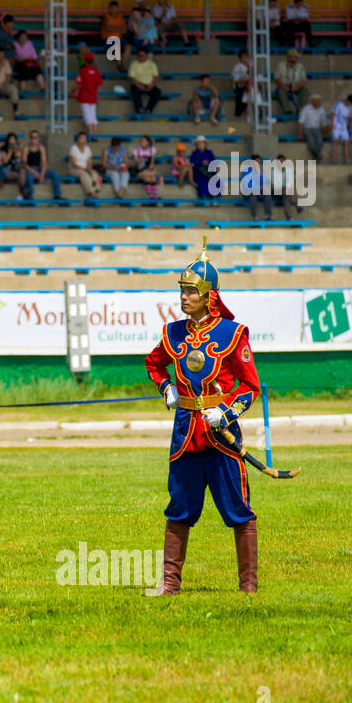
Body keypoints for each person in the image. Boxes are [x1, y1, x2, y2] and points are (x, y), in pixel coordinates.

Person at [144, 244, 261, 596]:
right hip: (185, 433)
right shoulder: (173, 333)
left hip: (221, 436)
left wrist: (225, 412)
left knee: (238, 510)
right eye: (181, 290)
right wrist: (165, 386)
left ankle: (248, 585)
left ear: (210, 296)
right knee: (179, 507)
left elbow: (250, 387)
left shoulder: (233, 333)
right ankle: (170, 584)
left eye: (191, 290)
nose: (183, 297)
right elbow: (153, 363)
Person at [71, 51, 103, 136]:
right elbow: (99, 83)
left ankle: (91, 135)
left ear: (85, 61)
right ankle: (94, 135)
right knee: (93, 116)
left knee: (87, 116)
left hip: (84, 97)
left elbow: (78, 84)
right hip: (93, 97)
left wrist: (71, 92)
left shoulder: (83, 71)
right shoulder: (96, 71)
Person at [24, 130, 61, 200]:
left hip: (39, 168)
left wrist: (42, 174)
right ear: (29, 138)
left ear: (38, 138)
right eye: (32, 137)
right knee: (29, 177)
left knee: (55, 174)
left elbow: (44, 163)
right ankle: (30, 197)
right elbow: (25, 164)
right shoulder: (26, 148)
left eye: (35, 137)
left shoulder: (41, 148)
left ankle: (57, 195)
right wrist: (35, 173)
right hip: (30, 169)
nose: (34, 139)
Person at [127, 47, 161, 115]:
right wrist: (139, 85)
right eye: (139, 56)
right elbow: (131, 77)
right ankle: (139, 108)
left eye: (142, 55)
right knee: (134, 90)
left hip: (149, 85)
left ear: (146, 55)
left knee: (157, 92)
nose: (140, 57)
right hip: (137, 85)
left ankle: (149, 109)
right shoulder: (134, 64)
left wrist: (152, 85)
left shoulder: (152, 64)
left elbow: (156, 76)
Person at [273, 48, 307, 115]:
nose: (294, 59)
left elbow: (304, 80)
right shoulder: (281, 65)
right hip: (283, 85)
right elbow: (277, 78)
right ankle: (287, 110)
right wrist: (284, 86)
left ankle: (300, 109)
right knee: (280, 91)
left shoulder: (300, 66)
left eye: (296, 57)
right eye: (293, 57)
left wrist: (296, 87)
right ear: (288, 57)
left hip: (295, 85)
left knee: (305, 91)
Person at [68, 131, 101, 197]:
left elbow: (89, 161)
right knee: (84, 174)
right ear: (78, 139)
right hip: (75, 169)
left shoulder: (88, 149)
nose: (83, 140)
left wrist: (89, 168)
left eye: (84, 139)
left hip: (85, 169)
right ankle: (90, 192)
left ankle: (96, 188)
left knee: (94, 173)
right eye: (81, 138)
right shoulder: (73, 148)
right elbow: (73, 163)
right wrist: (84, 169)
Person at [100, 0, 130, 71]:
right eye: (112, 8)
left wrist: (113, 28)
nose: (114, 9)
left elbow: (125, 31)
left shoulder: (121, 17)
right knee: (116, 46)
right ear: (109, 8)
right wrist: (119, 28)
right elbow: (108, 28)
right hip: (108, 39)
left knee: (128, 47)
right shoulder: (106, 17)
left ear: (117, 8)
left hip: (120, 39)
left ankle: (122, 65)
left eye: (115, 8)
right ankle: (120, 65)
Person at [297, 92, 327, 160]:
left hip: (317, 129)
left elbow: (324, 122)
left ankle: (315, 156)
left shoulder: (321, 109)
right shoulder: (305, 109)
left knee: (320, 141)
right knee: (311, 141)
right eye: (318, 101)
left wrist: (326, 133)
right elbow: (300, 122)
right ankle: (317, 156)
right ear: (313, 101)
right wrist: (299, 133)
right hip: (307, 128)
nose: (320, 102)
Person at [130, 134, 159, 201]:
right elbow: (136, 166)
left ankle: (153, 195)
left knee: (151, 176)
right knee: (150, 175)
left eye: (143, 141)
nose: (141, 143)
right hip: (140, 170)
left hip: (148, 169)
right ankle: (152, 195)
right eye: (141, 141)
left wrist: (151, 168)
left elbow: (152, 162)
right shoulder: (136, 150)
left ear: (148, 142)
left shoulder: (152, 149)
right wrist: (137, 161)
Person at [331, 94, 352, 164]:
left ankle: (346, 159)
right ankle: (333, 159)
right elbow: (332, 113)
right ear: (347, 100)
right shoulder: (339, 104)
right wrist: (332, 124)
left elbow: (348, 117)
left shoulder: (349, 108)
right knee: (335, 142)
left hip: (344, 128)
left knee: (346, 142)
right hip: (336, 127)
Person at [231, 49, 252, 117]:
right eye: (243, 57)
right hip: (240, 86)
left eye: (246, 56)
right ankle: (246, 114)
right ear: (240, 58)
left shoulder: (251, 65)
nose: (245, 59)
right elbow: (236, 80)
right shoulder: (237, 67)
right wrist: (245, 82)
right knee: (246, 93)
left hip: (251, 85)